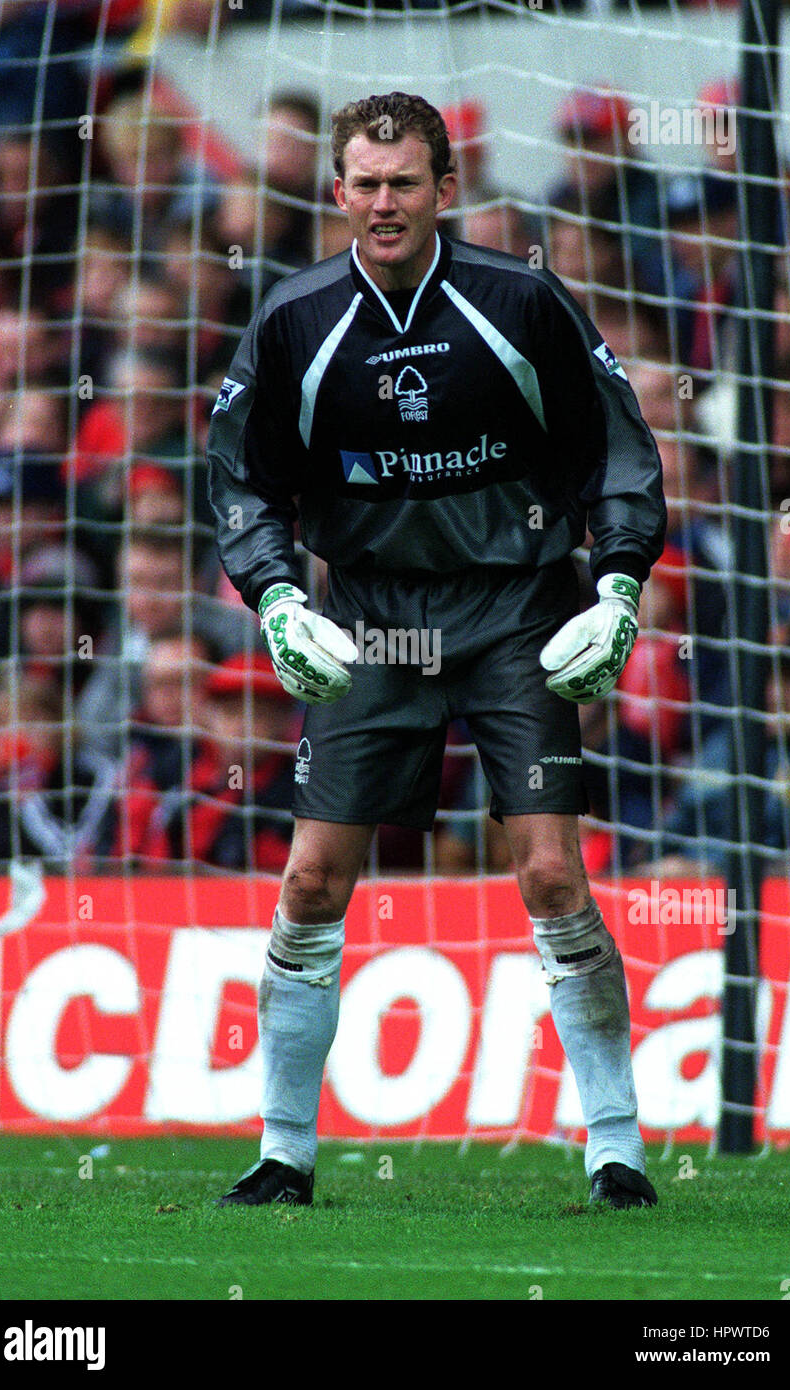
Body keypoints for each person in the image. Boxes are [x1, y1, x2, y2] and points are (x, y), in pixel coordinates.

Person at [207, 91, 666, 1211]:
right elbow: (243, 481)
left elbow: (615, 447)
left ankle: (616, 1151)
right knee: (313, 879)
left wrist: (614, 583)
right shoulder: (294, 321)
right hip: (368, 619)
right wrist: (273, 599)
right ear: (335, 192)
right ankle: (281, 1154)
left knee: (550, 870)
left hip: (514, 611)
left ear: (444, 190)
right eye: (363, 183)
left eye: (402, 182)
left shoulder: (520, 303)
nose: (381, 203)